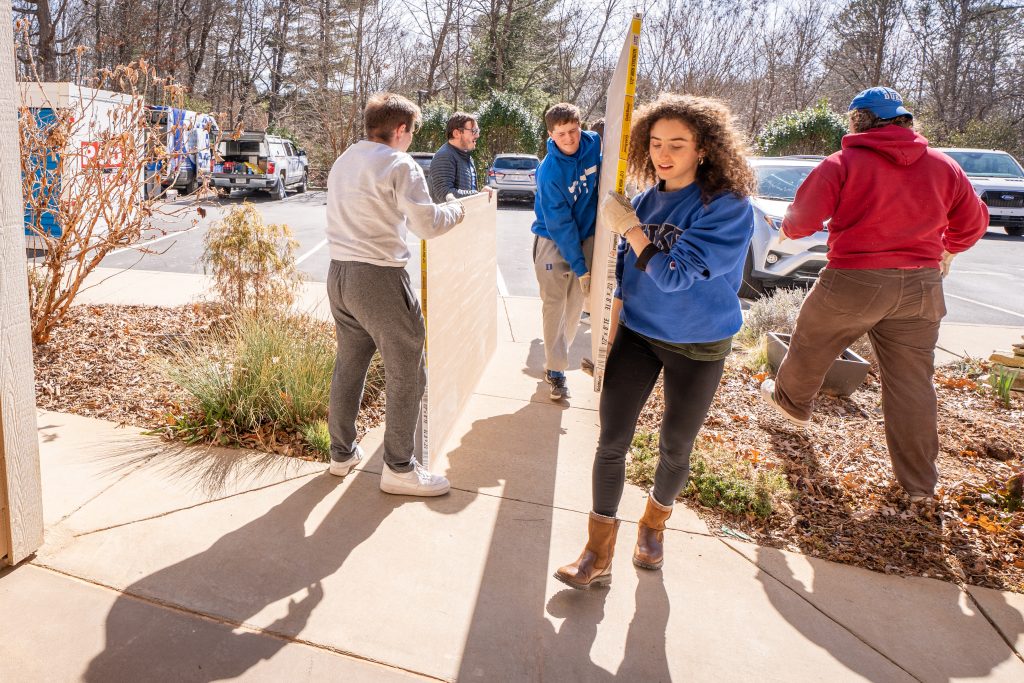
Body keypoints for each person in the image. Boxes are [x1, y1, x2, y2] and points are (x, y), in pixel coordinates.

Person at [554, 93, 756, 589]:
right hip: (640, 336)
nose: (664, 154)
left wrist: (633, 230)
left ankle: (652, 527)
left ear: (704, 149)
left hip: (700, 342)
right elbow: (626, 280)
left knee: (675, 447)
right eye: (657, 143)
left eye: (679, 145)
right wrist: (605, 340)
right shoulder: (643, 201)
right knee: (611, 441)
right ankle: (597, 550)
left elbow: (672, 274)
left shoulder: (727, 208)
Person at [759, 86, 989, 503]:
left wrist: (789, 229)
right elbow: (972, 224)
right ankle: (919, 485)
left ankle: (791, 404)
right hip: (921, 285)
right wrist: (946, 247)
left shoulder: (842, 163)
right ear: (903, 120)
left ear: (859, 120)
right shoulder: (945, 166)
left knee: (811, 337)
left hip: (855, 278)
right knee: (912, 383)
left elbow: (801, 221)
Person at [324, 92, 466, 497]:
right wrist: (457, 207)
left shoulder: (345, 159)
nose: (411, 138)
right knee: (408, 370)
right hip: (379, 278)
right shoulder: (400, 164)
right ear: (401, 129)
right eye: (412, 131)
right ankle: (400, 468)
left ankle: (341, 453)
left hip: (339, 275)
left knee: (350, 364)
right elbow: (428, 225)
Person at [532, 102, 601, 400]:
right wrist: (580, 266)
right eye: (562, 135)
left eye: (573, 131)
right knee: (555, 304)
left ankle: (558, 359)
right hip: (552, 238)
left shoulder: (593, 144)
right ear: (551, 134)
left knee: (574, 306)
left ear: (580, 126)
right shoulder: (549, 172)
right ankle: (556, 370)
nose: (570, 139)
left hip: (585, 235)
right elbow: (560, 225)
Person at [429, 112, 482, 203]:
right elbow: (444, 193)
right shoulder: (444, 156)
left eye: (477, 131)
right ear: (457, 133)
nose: (477, 135)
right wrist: (477, 195)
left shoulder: (467, 158)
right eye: (473, 131)